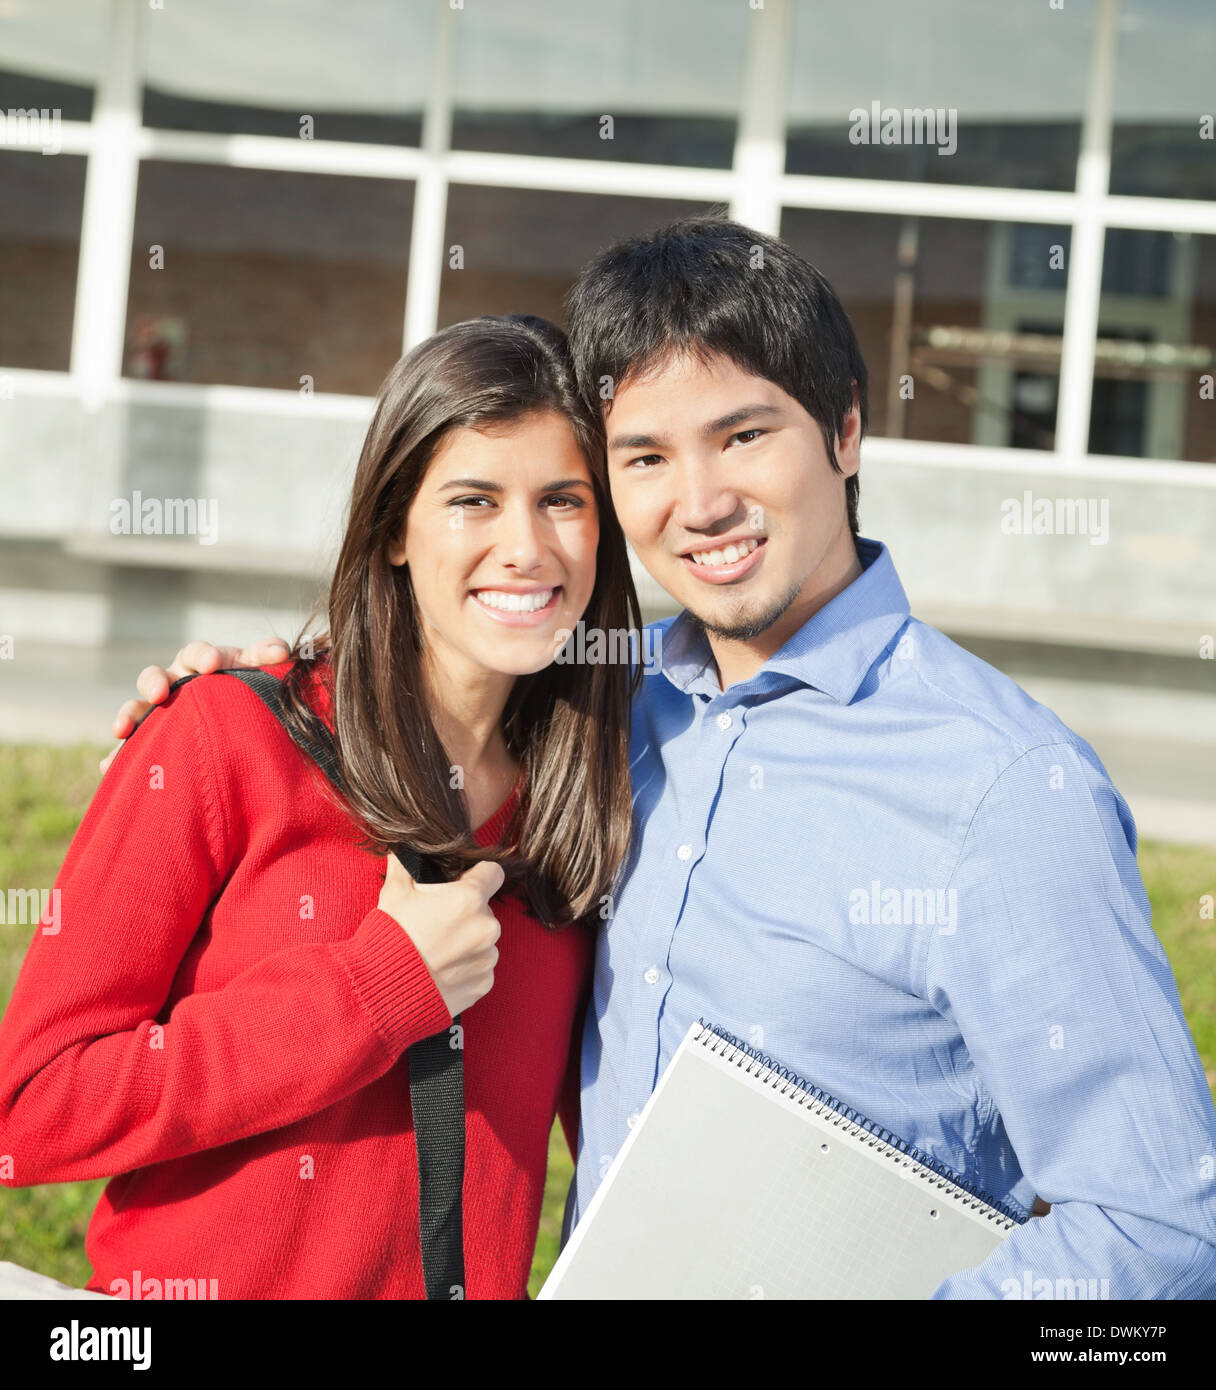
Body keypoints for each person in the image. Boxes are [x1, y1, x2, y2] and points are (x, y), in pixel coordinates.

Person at [94, 217, 1216, 1298]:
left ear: (846, 431)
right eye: (643, 455)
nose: (701, 501)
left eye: (742, 434)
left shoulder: (1002, 789)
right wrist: (259, 689)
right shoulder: (603, 718)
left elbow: (1160, 1228)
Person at [0, 313, 641, 1300]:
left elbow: (622, 1145)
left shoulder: (594, 802)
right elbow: (30, 1108)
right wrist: (374, 989)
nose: (526, 546)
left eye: (563, 500)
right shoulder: (225, 735)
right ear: (391, 529)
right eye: (473, 499)